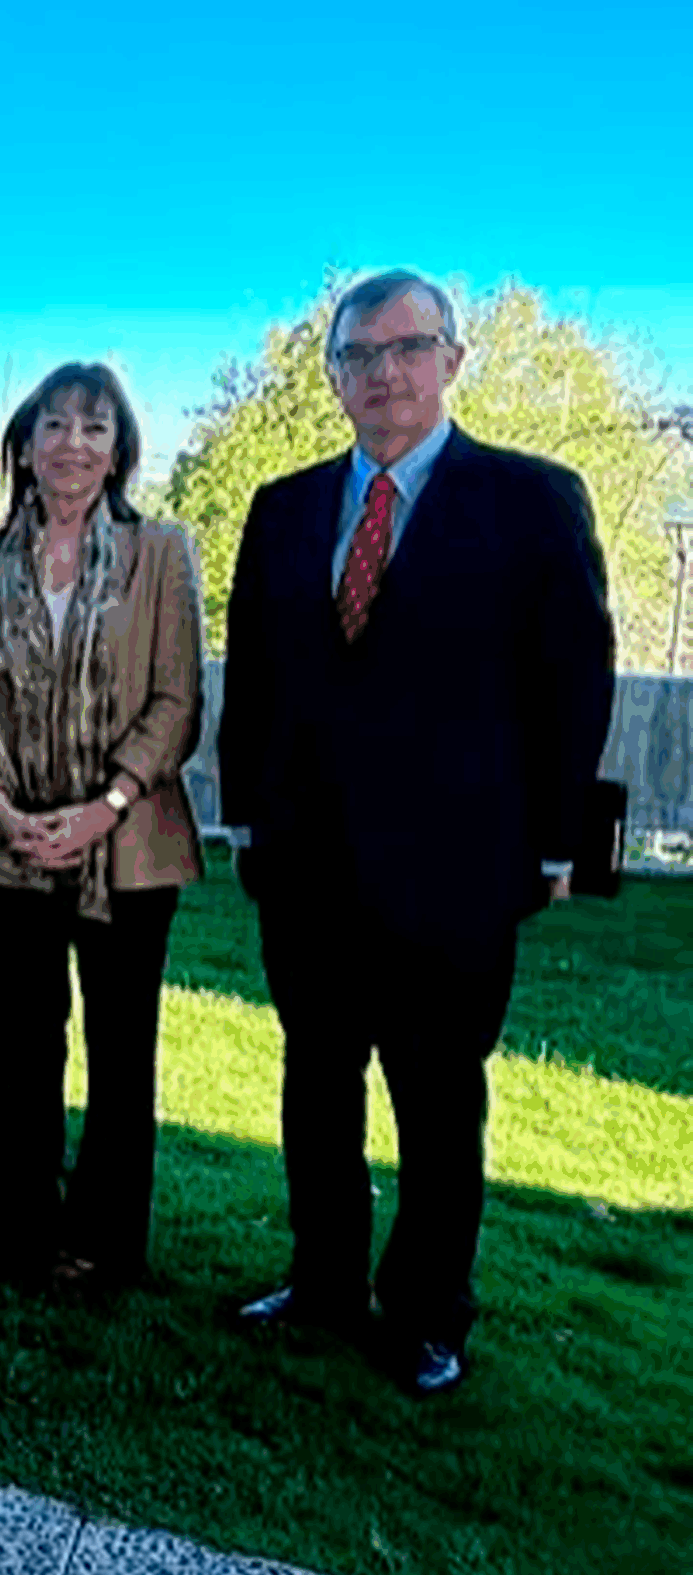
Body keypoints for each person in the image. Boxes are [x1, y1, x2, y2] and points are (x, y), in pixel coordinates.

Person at [220, 269, 613, 1395]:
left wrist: (560, 851)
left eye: (403, 348)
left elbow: (572, 684)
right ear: (333, 376)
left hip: (456, 872)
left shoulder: (532, 500)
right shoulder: (282, 506)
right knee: (316, 1081)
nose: (381, 373)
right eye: (357, 356)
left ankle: (429, 1311)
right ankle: (324, 1279)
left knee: (438, 1101)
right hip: (303, 863)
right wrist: (245, 817)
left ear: (450, 358)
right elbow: (254, 674)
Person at [0, 362, 205, 1287]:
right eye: (54, 425)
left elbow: (178, 700)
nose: (72, 445)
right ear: (24, 442)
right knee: (23, 1041)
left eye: (94, 429)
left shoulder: (160, 553)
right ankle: (20, 1222)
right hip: (13, 842)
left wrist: (105, 807)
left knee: (119, 1049)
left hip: (127, 848)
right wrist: (1, 806)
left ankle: (102, 1242)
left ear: (119, 449)